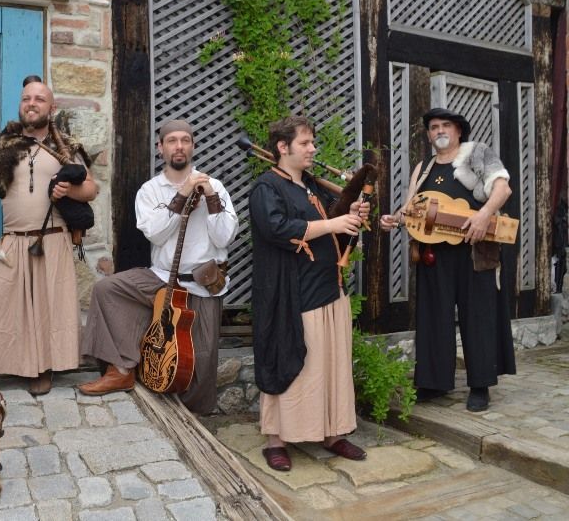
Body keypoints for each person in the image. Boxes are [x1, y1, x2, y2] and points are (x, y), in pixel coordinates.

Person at [78, 120, 238, 414]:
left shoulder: (215, 186)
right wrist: (182, 195)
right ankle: (120, 370)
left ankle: (193, 417)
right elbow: (156, 233)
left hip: (202, 284)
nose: (179, 146)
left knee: (200, 362)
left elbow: (225, 236)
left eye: (185, 140)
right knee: (108, 289)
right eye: (172, 141)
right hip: (162, 277)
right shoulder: (150, 190)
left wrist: (211, 198)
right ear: (160, 148)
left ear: (192, 146)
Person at [250, 115, 370, 471]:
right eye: (305, 143)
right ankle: (276, 439)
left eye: (312, 142)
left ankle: (331, 433)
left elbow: (333, 235)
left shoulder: (312, 187)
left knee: (329, 365)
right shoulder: (266, 187)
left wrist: (349, 217)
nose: (313, 148)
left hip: (329, 290)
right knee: (291, 360)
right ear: (282, 147)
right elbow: (275, 228)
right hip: (293, 293)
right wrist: (333, 223)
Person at [0, 76, 98, 396]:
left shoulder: (66, 146)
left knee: (49, 308)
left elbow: (91, 188)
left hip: (53, 239)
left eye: (39, 99)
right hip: (13, 240)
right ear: (21, 105)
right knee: (1, 305)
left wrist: (71, 189)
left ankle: (43, 368)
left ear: (51, 108)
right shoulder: (3, 145)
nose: (32, 104)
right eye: (27, 99)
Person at [380, 107, 516, 412]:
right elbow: (410, 208)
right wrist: (394, 219)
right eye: (433, 127)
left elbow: (502, 188)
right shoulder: (423, 168)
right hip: (433, 254)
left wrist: (483, 216)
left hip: (473, 252)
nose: (439, 131)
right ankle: (433, 382)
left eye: (445, 126)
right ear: (429, 134)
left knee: (478, 316)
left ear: (457, 131)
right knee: (433, 315)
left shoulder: (477, 153)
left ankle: (480, 386)